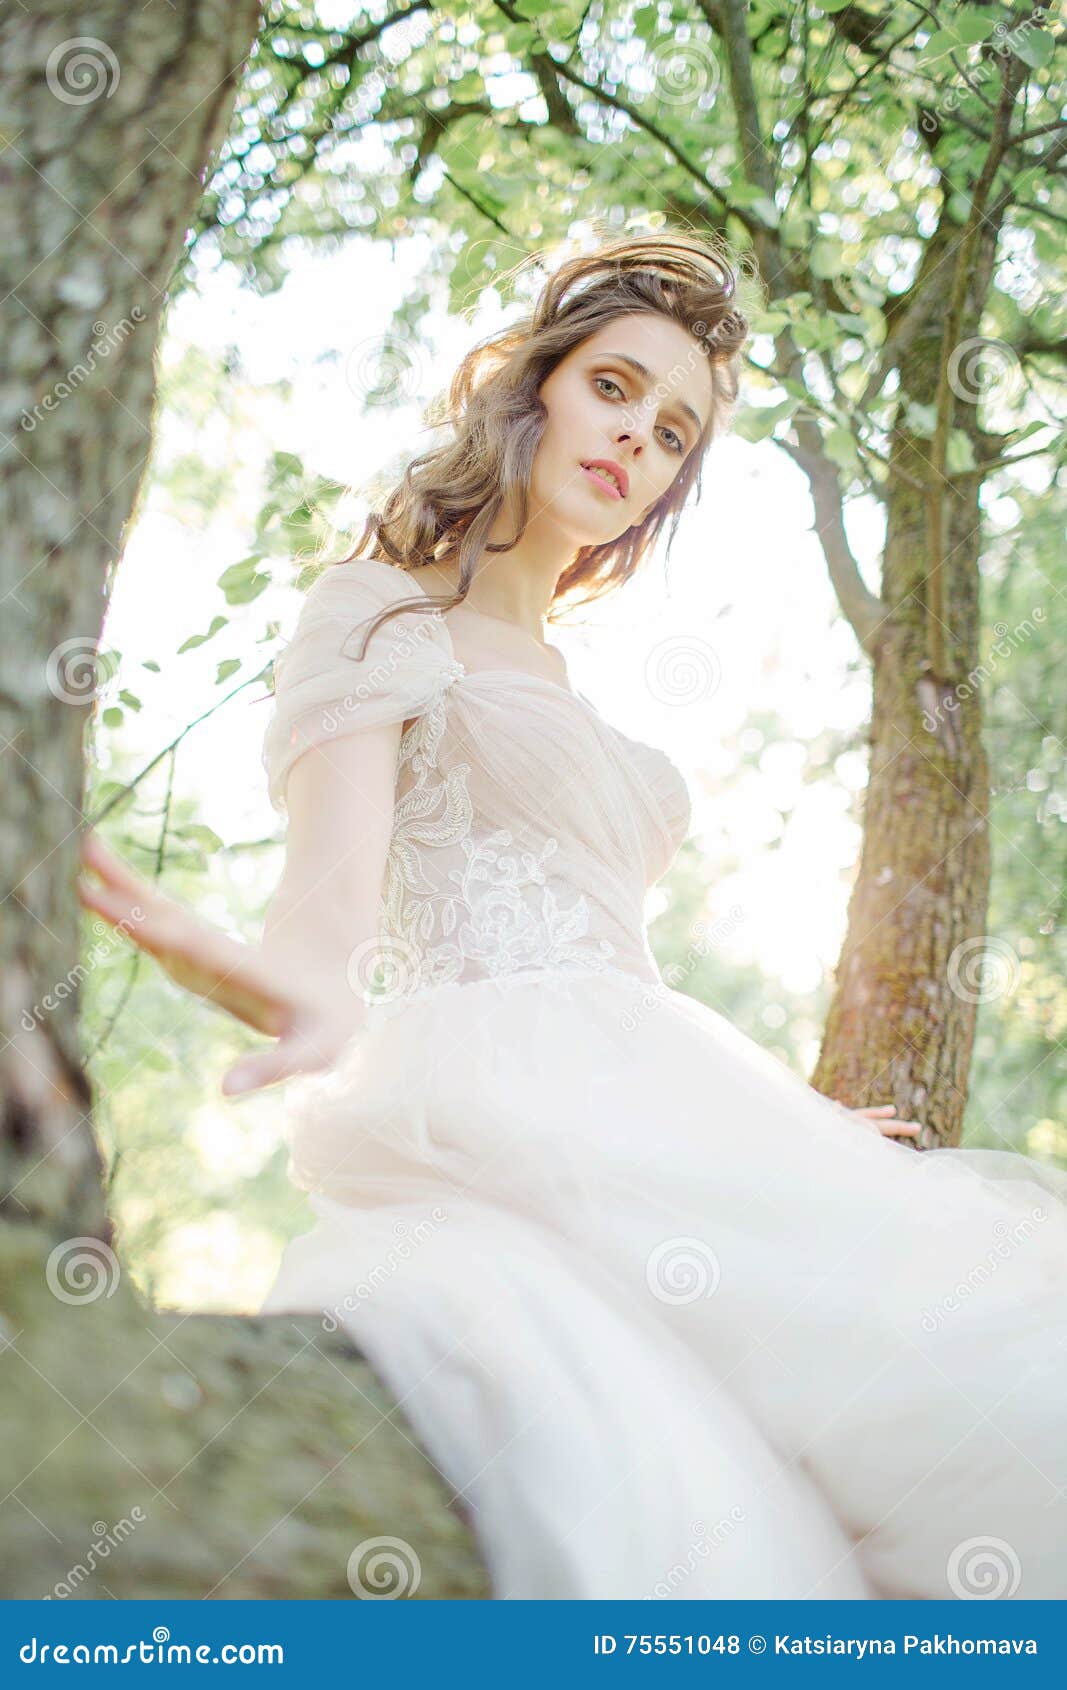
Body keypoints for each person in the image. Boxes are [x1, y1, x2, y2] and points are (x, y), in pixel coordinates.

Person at [79, 232, 1067, 1602]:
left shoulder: (562, 671)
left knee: (990, 1371)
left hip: (657, 1096)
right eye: (616, 388)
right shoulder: (377, 615)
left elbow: (619, 962)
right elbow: (329, 915)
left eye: (674, 435)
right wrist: (280, 984)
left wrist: (777, 1125)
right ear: (532, 386)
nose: (637, 445)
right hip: (495, 1104)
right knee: (668, 1482)